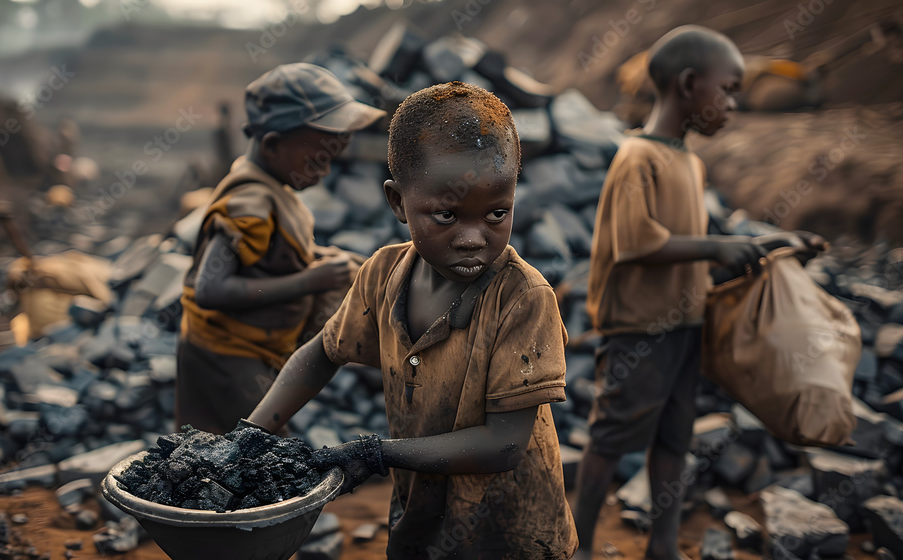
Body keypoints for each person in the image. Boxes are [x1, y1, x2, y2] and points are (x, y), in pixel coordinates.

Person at [249, 81, 578, 560]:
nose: (472, 238)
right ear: (398, 203)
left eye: (496, 213)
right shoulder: (383, 273)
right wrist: (253, 433)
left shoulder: (523, 298)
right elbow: (322, 352)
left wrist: (376, 454)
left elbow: (504, 445)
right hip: (422, 519)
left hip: (509, 536)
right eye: (446, 215)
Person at [572, 26, 826, 560]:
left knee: (674, 438)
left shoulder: (689, 161)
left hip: (685, 325)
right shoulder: (637, 158)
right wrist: (716, 249)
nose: (734, 103)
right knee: (611, 438)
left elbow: (703, 238)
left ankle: (663, 545)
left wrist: (773, 243)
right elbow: (637, 241)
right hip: (638, 330)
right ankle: (577, 541)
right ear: (689, 84)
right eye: (728, 89)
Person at [176, 63, 385, 435]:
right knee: (250, 453)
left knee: (226, 453)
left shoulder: (274, 189)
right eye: (316, 160)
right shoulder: (249, 202)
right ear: (272, 145)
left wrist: (320, 261)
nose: (323, 172)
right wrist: (308, 281)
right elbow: (210, 289)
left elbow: (268, 260)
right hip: (225, 356)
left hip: (249, 352)